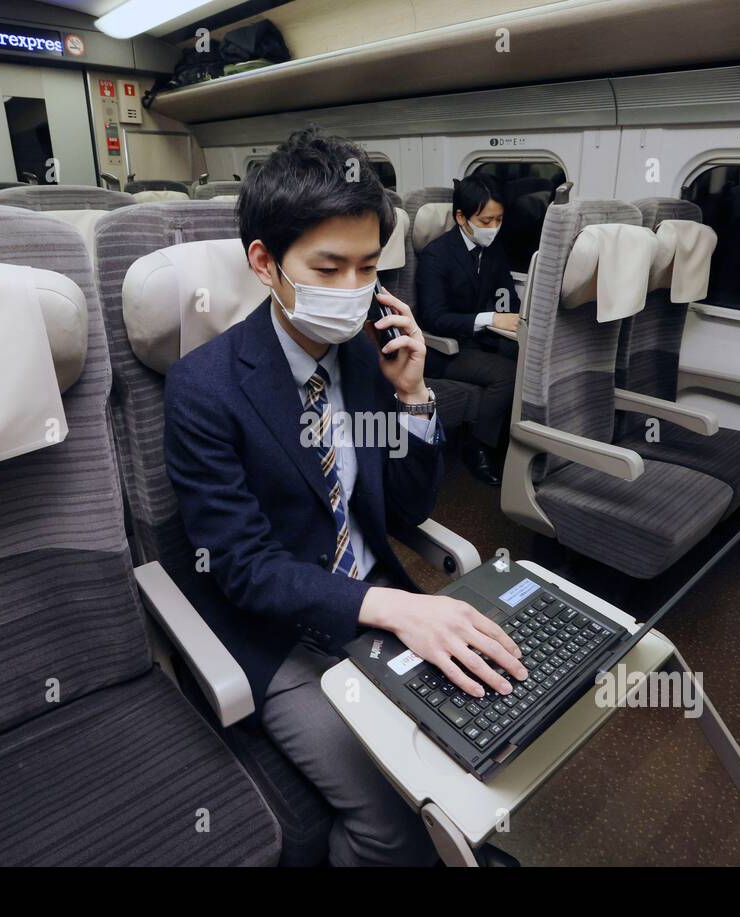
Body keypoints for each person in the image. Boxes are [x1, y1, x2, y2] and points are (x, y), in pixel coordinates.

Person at [163, 128, 528, 866]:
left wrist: (416, 396)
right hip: (278, 637)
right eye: (327, 268)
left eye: (367, 268)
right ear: (265, 263)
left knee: (486, 736)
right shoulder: (205, 388)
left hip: (375, 599)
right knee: (389, 821)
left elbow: (405, 507)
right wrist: (394, 607)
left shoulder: (366, 355)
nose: (351, 289)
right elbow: (241, 566)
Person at [415, 173, 521, 485]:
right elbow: (433, 318)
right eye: (486, 221)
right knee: (508, 375)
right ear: (461, 217)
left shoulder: (494, 250)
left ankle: (511, 437)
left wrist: (508, 318)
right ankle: (478, 448)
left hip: (481, 339)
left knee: (528, 358)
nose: (493, 228)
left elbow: (507, 298)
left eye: (499, 220)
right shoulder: (437, 255)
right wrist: (491, 319)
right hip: (444, 348)